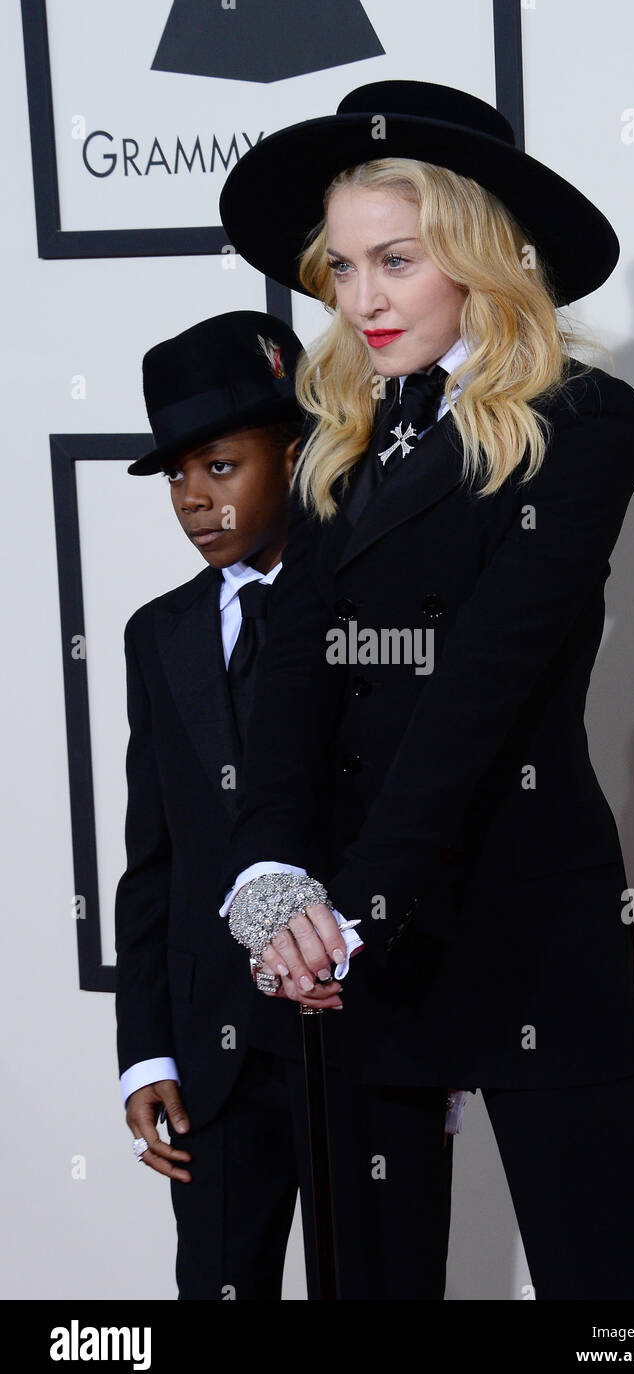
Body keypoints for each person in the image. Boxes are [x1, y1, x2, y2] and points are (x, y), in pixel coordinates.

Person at [216, 80, 634, 1301]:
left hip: (520, 909)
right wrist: (274, 879)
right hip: (339, 938)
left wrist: (361, 897)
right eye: (338, 268)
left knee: (611, 1285)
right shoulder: (333, 430)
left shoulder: (585, 421)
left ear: (482, 257)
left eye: (395, 260)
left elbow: (483, 682)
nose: (361, 301)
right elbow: (289, 674)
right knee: (366, 1278)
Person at [114, 309, 365, 1299]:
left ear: (295, 453)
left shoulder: (368, 607)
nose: (192, 500)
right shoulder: (157, 634)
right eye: (177, 476)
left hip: (352, 1030)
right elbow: (153, 854)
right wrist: (145, 1052)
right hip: (212, 1062)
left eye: (219, 467)